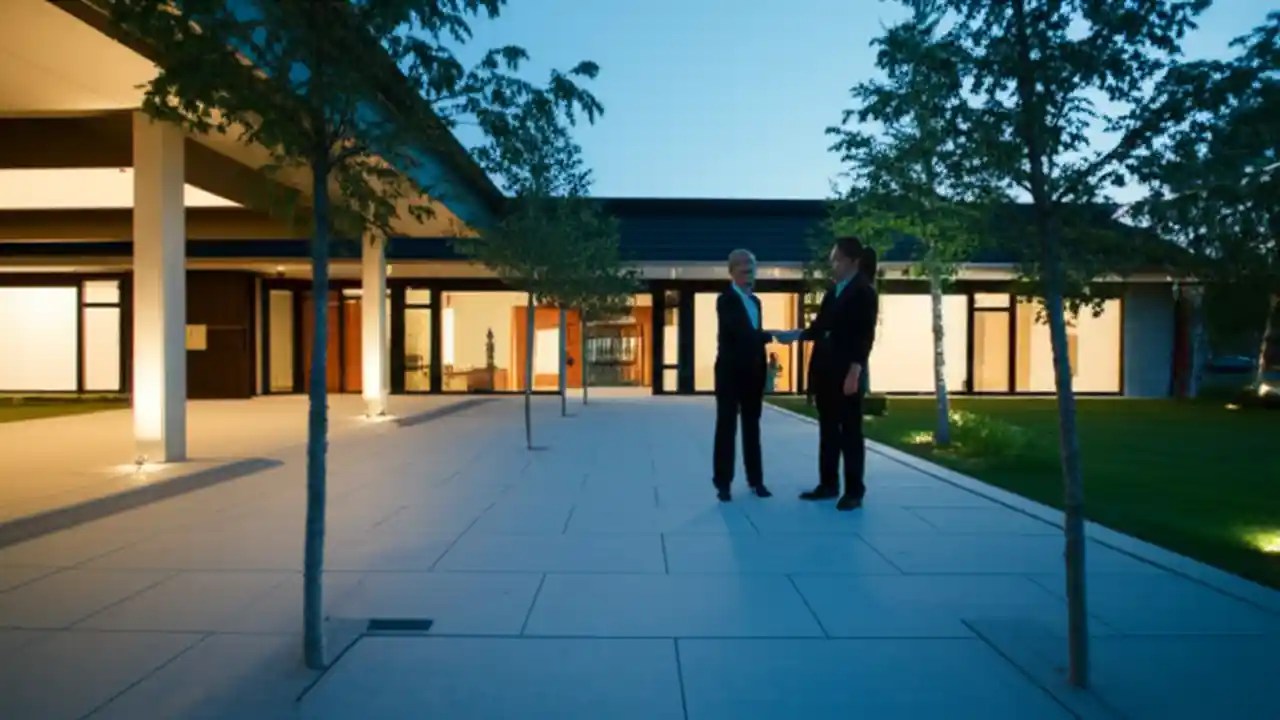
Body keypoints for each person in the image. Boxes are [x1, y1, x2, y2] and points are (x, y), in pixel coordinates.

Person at [786, 237, 879, 511]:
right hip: (825, 371)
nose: (832, 265)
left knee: (850, 432)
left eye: (836, 260)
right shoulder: (834, 291)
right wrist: (792, 335)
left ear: (852, 261)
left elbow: (864, 337)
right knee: (828, 430)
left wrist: (855, 371)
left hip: (846, 372)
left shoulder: (863, 291)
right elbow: (819, 328)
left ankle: (854, 491)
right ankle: (828, 484)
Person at [712, 249, 776, 502]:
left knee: (752, 427)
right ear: (732, 272)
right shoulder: (725, 300)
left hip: (753, 372)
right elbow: (741, 333)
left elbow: (754, 336)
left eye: (752, 271)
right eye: (744, 271)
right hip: (730, 372)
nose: (749, 276)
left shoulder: (756, 302)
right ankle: (723, 482)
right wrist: (770, 335)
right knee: (726, 427)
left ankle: (756, 480)